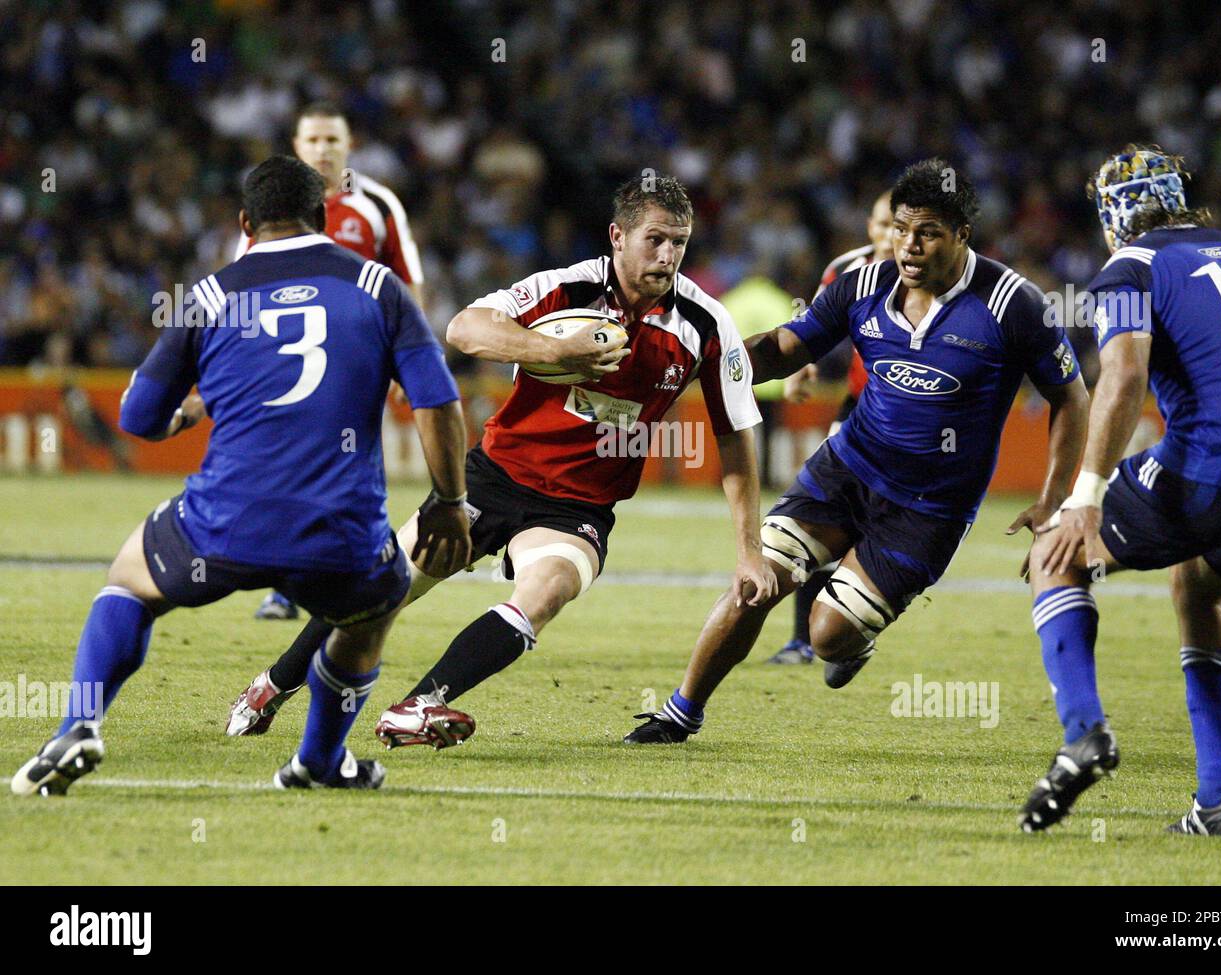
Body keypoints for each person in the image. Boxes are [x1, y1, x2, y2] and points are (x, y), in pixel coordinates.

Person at [225, 174, 776, 748]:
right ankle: (275, 684)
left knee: (546, 591)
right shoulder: (565, 290)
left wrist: (749, 555)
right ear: (617, 236)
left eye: (680, 243)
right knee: (378, 590)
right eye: (655, 239)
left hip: (578, 505)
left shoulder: (706, 324)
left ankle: (419, 706)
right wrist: (552, 350)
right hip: (495, 476)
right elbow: (464, 328)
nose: (669, 256)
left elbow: (735, 439)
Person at [11, 156, 470, 796]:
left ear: (244, 223)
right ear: (322, 217)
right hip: (338, 532)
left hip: (223, 522)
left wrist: (191, 412)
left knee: (128, 582)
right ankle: (318, 760)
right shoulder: (380, 289)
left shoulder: (207, 296)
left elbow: (139, 418)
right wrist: (449, 500)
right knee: (371, 610)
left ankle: (79, 724)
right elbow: (437, 403)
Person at [625, 159, 1089, 744]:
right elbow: (786, 347)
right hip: (845, 470)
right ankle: (679, 713)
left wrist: (1054, 499)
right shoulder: (862, 286)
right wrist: (699, 361)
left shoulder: (1011, 304)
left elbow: (1072, 399)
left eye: (927, 233)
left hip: (929, 509)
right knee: (755, 581)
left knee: (825, 637)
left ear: (962, 235)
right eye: (900, 229)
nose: (909, 246)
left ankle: (852, 639)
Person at [1018, 146, 1221, 836]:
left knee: (1055, 552)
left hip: (1219, 463)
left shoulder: (1132, 264)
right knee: (1199, 584)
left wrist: (1083, 497)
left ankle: (1084, 733)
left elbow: (1122, 375)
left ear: (1113, 218)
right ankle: (1220, 803)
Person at [246, 101, 427, 621]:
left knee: (348, 464)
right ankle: (289, 582)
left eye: (332, 140)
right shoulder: (272, 203)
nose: (323, 150)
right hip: (288, 356)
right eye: (313, 141)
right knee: (287, 462)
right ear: (297, 146)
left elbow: (407, 282)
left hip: (358, 358)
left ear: (349, 146)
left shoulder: (377, 204)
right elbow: (245, 279)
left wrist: (407, 356)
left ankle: (343, 576)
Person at [767, 189, 894, 664]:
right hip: (857, 408)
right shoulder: (848, 269)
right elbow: (812, 326)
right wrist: (801, 367)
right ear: (869, 226)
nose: (888, 237)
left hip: (914, 420)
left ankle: (849, 623)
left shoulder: (934, 274)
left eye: (897, 227)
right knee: (822, 511)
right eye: (882, 225)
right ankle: (803, 639)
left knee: (881, 524)